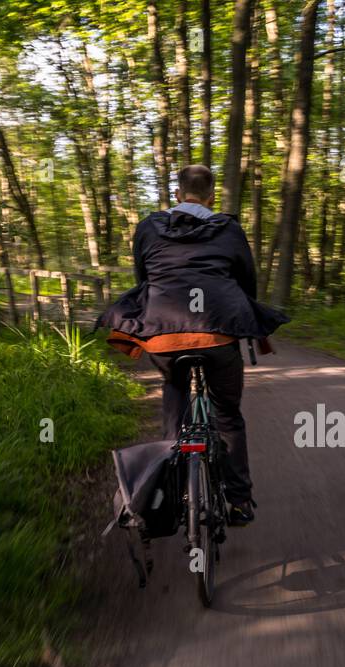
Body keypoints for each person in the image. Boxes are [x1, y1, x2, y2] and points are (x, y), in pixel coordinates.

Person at [98, 165, 287, 525]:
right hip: (217, 333)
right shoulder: (228, 228)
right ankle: (239, 501)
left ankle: (168, 494)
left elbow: (144, 279)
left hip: (163, 332)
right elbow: (246, 282)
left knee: (174, 391)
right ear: (212, 196)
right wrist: (247, 322)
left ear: (177, 195)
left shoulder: (149, 227)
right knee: (227, 414)